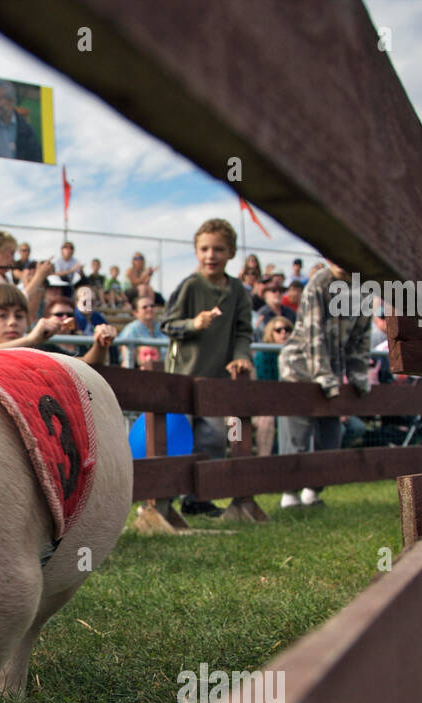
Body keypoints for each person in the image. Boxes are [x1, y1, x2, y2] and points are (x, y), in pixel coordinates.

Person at [160, 218, 254, 517]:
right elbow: (167, 324)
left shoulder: (238, 291)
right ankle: (163, 499)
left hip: (215, 379)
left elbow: (243, 330)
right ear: (196, 252)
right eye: (204, 249)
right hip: (182, 378)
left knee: (212, 437)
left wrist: (241, 356)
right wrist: (193, 324)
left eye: (218, 249)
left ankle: (199, 498)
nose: (210, 255)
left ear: (231, 253)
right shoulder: (190, 285)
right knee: (178, 437)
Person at [277, 261, 372, 508]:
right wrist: (325, 378)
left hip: (332, 371)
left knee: (330, 436)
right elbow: (313, 335)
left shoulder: (363, 288)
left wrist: (358, 376)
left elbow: (360, 338)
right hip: (299, 369)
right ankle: (290, 494)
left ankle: (314, 490)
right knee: (296, 434)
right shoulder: (319, 283)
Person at [0, 284, 115, 367]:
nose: (12, 322)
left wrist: (100, 345)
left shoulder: (31, 357)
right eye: (2, 315)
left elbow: (86, 363)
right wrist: (30, 340)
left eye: (19, 316)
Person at [252, 317, 292, 457]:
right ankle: (263, 463)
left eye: (287, 330)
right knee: (265, 421)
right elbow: (261, 391)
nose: (283, 333)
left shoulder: (295, 357)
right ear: (270, 332)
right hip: (261, 406)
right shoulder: (263, 355)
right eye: (278, 330)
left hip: (287, 405)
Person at [115, 295, 161, 368]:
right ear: (135, 312)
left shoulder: (162, 328)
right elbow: (126, 362)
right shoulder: (130, 330)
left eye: (152, 306)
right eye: (145, 307)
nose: (150, 309)